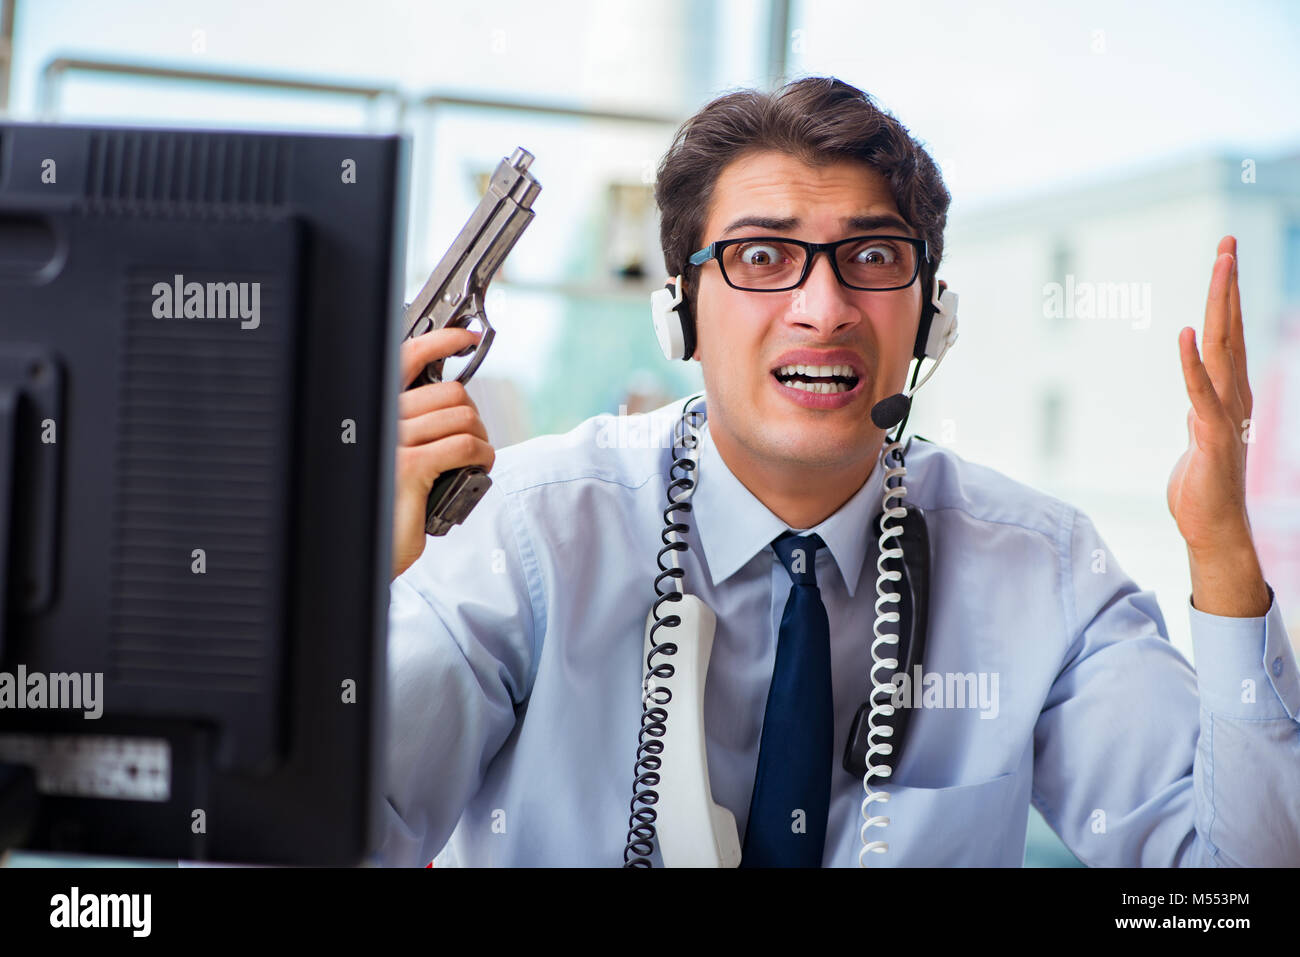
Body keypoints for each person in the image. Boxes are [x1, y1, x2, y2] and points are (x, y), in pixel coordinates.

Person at [379, 76, 1299, 867]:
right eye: (762, 256)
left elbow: (1223, 889)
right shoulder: (530, 531)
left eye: (872, 256)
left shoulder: (1044, 568)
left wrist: (1224, 558)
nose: (824, 310)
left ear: (931, 318)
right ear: (680, 315)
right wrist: (336, 588)